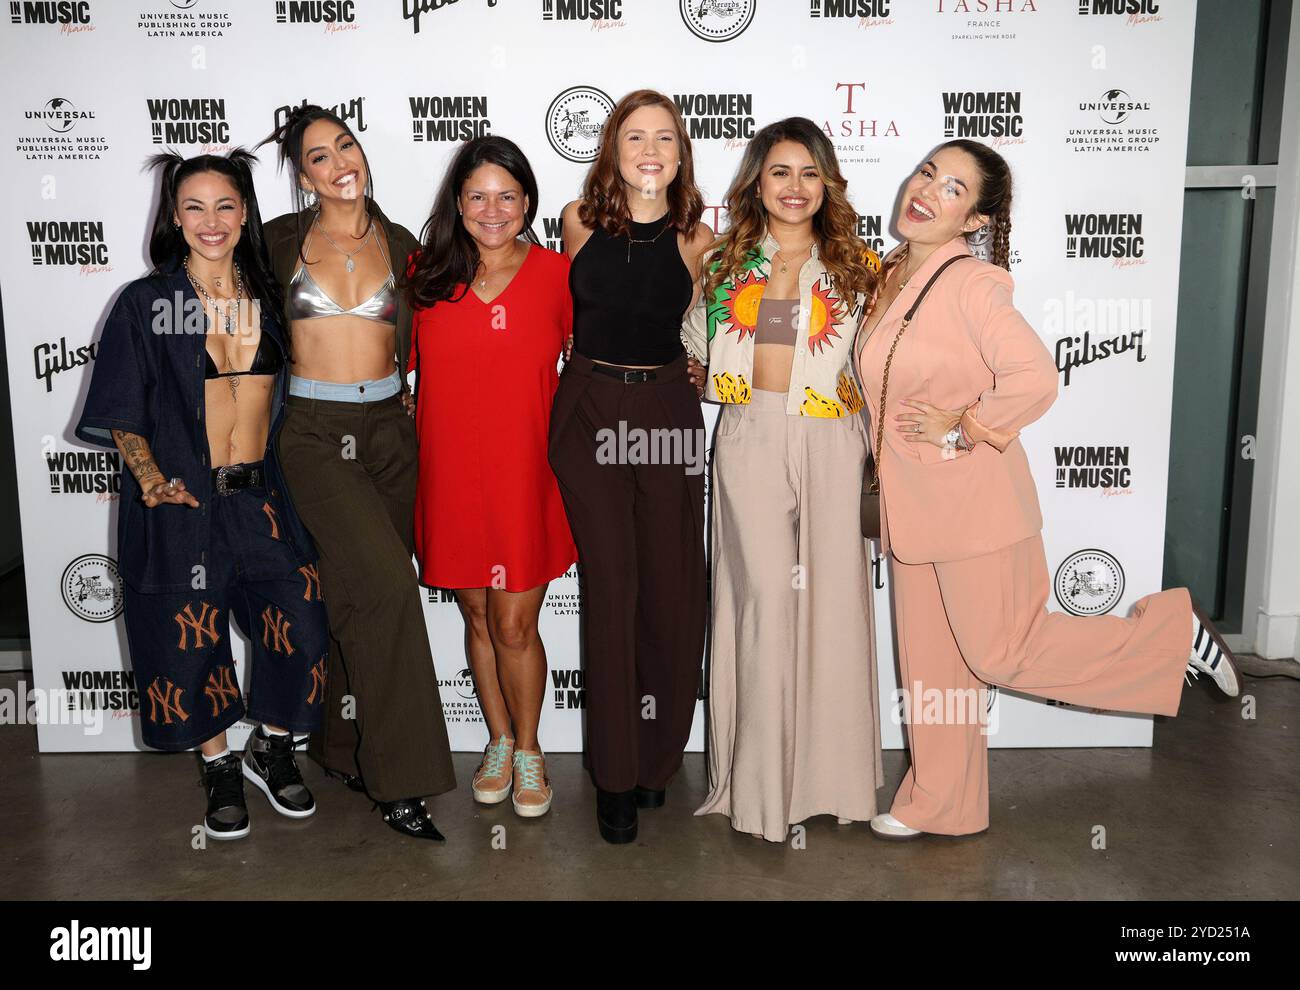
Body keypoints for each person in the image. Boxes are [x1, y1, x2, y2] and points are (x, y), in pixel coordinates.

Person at [853, 139, 1241, 840]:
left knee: (1002, 650)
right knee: (935, 670)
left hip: (976, 511)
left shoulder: (971, 284)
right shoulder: (890, 277)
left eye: (952, 189)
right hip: (913, 514)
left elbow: (1034, 377)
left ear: (976, 220)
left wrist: (968, 424)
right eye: (927, 173)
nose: (926, 190)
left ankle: (1167, 632)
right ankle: (941, 804)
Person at [75, 149, 330, 841]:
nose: (210, 221)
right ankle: (217, 763)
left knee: (302, 626)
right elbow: (122, 411)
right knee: (190, 646)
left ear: (244, 213)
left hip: (262, 497)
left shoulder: (273, 293)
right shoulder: (146, 302)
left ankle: (270, 748)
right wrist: (152, 479)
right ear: (174, 217)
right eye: (194, 207)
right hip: (184, 499)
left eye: (225, 206)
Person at [682, 118, 884, 843]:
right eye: (779, 172)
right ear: (756, 182)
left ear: (827, 182)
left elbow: (887, 361)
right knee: (763, 600)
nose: (794, 188)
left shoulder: (863, 267)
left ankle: (830, 783)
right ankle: (759, 790)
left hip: (833, 439)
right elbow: (695, 352)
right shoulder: (726, 262)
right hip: (749, 436)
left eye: (808, 173)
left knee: (829, 606)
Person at [260, 106, 455, 841]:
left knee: (356, 596)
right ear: (302, 175)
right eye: (318, 156)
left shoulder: (403, 243)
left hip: (389, 435)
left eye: (345, 144)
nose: (339, 162)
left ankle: (340, 746)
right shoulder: (276, 242)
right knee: (389, 589)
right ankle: (401, 781)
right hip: (314, 435)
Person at [548, 89, 715, 844]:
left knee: (673, 591)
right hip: (590, 409)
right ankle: (614, 777)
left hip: (668, 414)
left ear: (681, 154)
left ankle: (656, 764)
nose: (650, 151)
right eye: (635, 137)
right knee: (611, 588)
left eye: (665, 139)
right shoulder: (577, 222)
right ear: (611, 149)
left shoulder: (699, 238)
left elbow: (718, 335)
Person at [406, 135, 576, 819]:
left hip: (526, 476)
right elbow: (388, 367)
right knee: (476, 614)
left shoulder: (560, 275)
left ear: (528, 201)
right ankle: (499, 741)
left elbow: (597, 364)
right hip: (448, 475)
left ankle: (531, 748)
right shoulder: (424, 274)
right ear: (458, 202)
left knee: (513, 625)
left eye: (507, 195)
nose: (492, 208)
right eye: (477, 195)